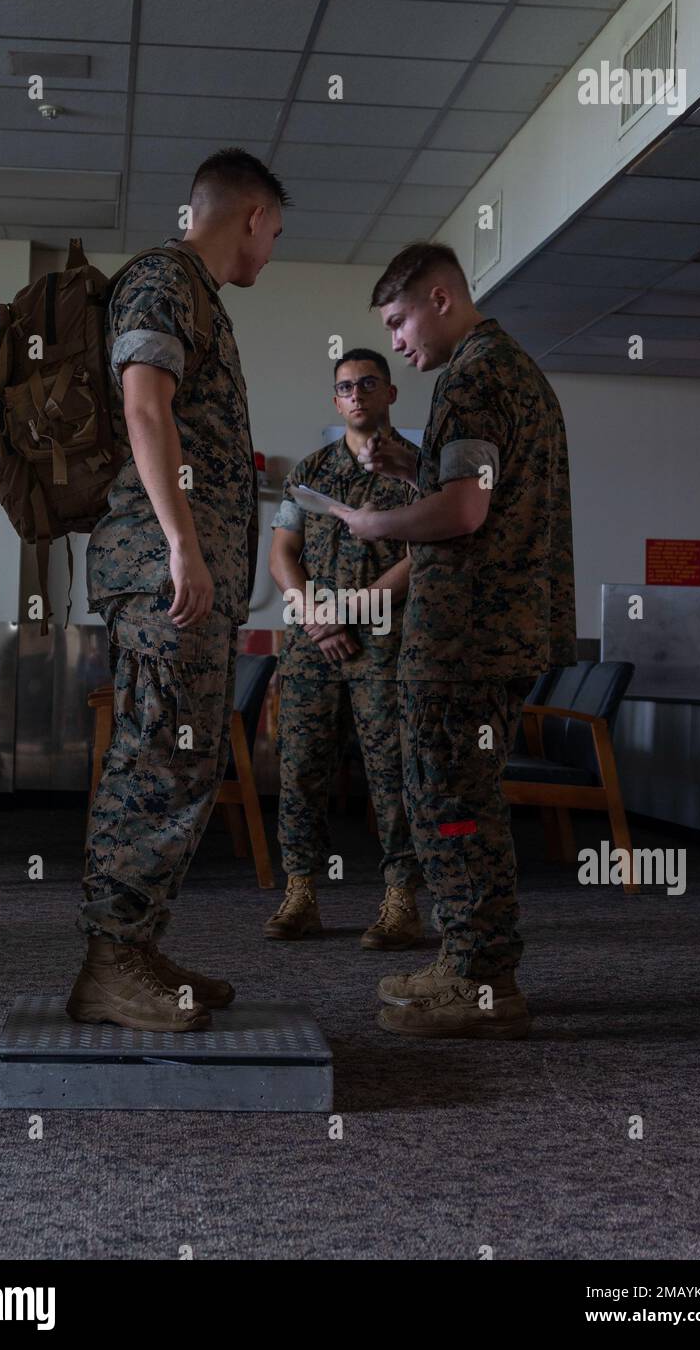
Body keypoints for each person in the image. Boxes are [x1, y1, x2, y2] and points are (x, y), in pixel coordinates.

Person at [329, 242, 576, 1040]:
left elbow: (465, 515)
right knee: (461, 796)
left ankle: (480, 980)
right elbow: (478, 493)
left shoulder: (471, 376)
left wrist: (376, 520)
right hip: (496, 626)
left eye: (399, 322)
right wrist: (417, 470)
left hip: (465, 632)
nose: (396, 341)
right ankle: (472, 961)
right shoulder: (510, 368)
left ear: (441, 298)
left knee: (450, 800)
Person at [66, 148, 289, 1033]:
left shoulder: (199, 298)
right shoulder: (166, 279)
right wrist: (183, 547)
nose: (270, 253)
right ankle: (111, 960)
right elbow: (144, 408)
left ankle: (135, 945)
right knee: (159, 754)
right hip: (166, 574)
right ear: (250, 216)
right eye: (274, 234)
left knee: (182, 757)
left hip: (185, 574)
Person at [266, 350, 425, 948]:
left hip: (384, 640)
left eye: (367, 384)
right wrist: (316, 616)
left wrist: (350, 611)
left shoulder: (418, 470)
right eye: (344, 388)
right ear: (335, 401)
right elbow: (283, 554)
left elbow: (422, 555)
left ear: (389, 393)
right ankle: (301, 893)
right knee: (301, 766)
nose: (356, 395)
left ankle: (401, 901)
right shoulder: (309, 470)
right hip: (313, 643)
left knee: (393, 771)